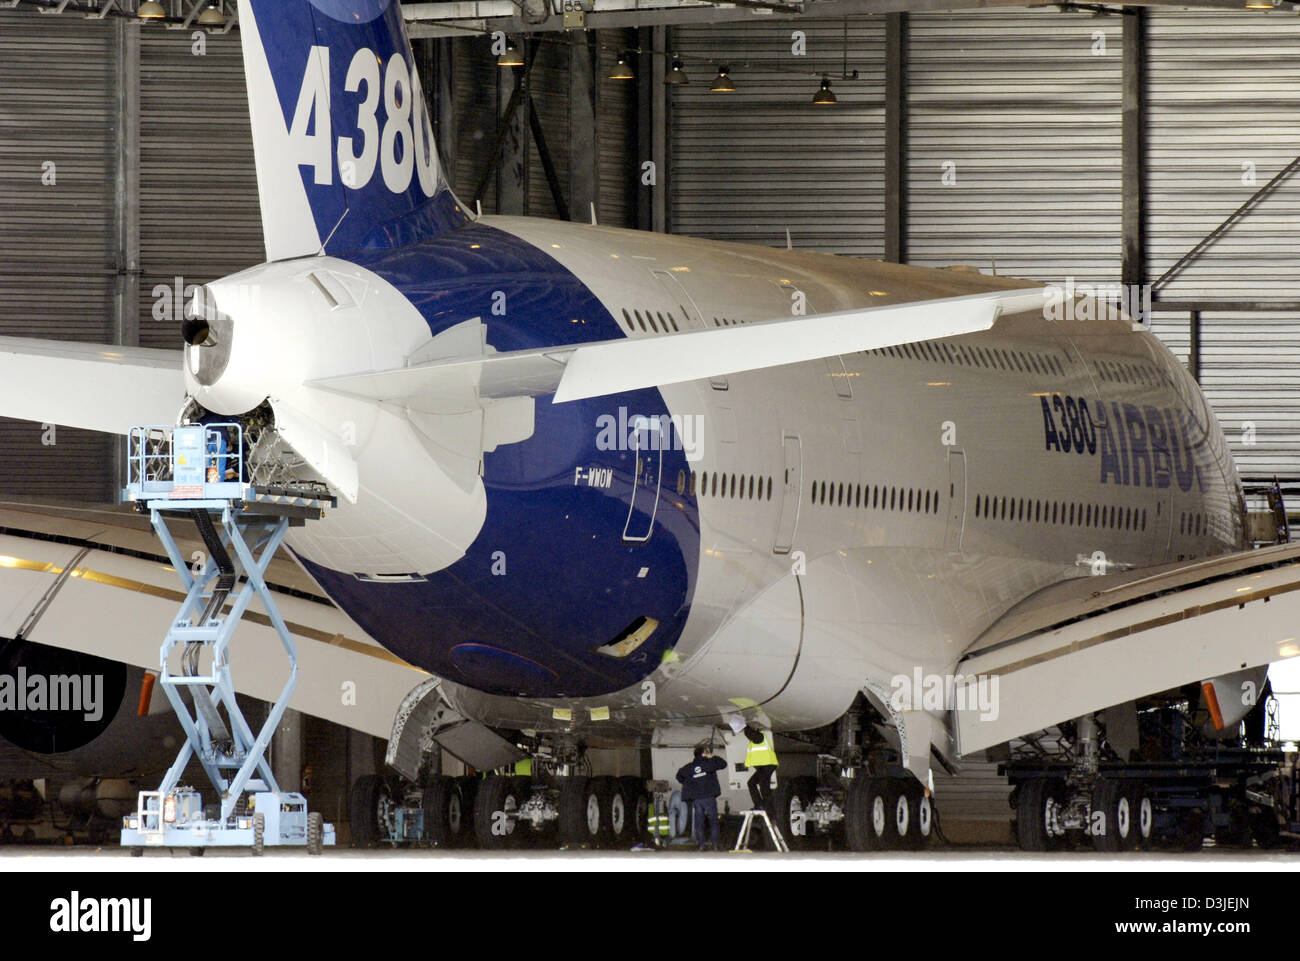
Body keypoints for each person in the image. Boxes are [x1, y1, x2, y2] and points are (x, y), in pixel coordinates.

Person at [675, 744, 727, 850]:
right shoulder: (710, 763)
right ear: (704, 753)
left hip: (696, 799)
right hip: (709, 797)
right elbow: (723, 764)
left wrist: (688, 783)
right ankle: (715, 845)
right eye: (706, 751)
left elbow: (678, 776)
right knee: (713, 821)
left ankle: (701, 845)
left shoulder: (688, 767)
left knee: (699, 822)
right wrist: (711, 756)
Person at [743, 724, 779, 815]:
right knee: (753, 784)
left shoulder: (759, 737)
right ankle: (762, 806)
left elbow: (750, 734)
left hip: (767, 765)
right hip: (764, 766)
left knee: (763, 787)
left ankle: (767, 809)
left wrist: (744, 726)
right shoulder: (757, 739)